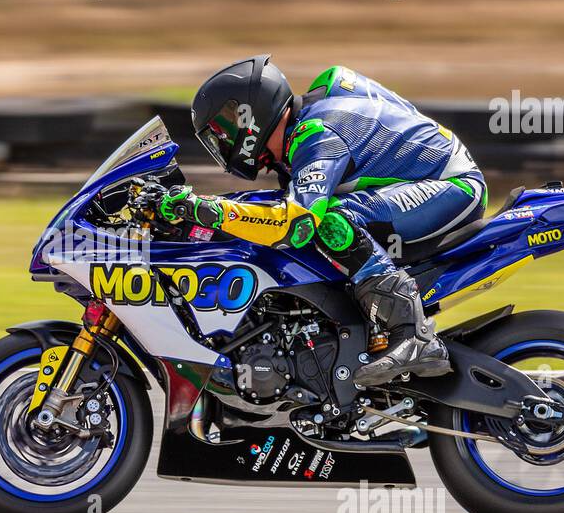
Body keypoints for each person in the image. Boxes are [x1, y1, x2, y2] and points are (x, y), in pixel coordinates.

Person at [139, 55, 486, 386]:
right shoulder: (299, 136)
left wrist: (207, 209)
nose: (223, 141)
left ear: (251, 113)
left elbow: (295, 223)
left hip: (453, 187)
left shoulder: (314, 134)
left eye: (225, 128)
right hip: (418, 182)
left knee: (330, 222)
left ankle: (413, 335)